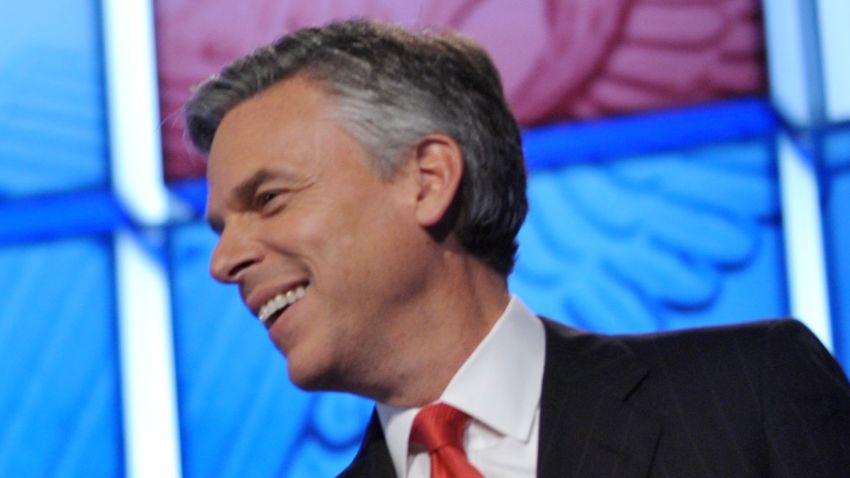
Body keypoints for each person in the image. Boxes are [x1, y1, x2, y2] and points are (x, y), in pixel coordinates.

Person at [185, 19, 850, 477]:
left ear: (427, 180)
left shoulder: (748, 396)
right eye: (219, 228)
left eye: (268, 199)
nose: (223, 262)